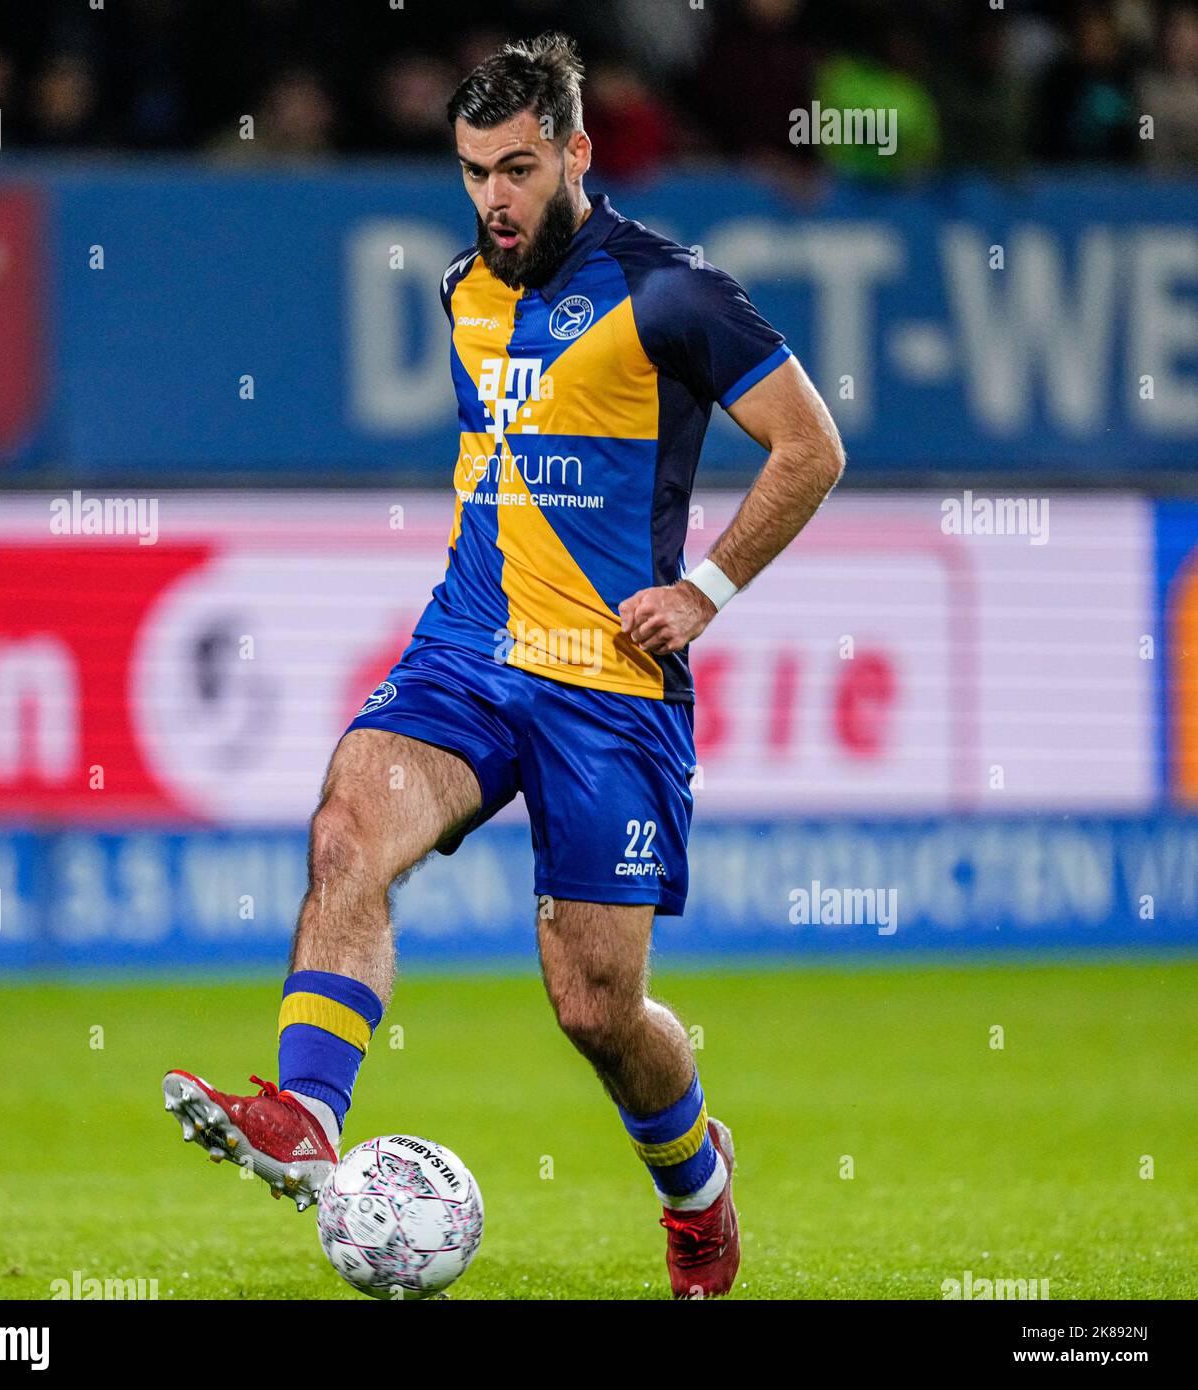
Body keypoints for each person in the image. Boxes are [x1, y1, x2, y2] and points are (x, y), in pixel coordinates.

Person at [162, 31, 844, 1299]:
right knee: (348, 820)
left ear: (578, 152)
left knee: (594, 1006)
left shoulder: (674, 292)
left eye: (519, 169)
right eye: (475, 170)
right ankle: (308, 1114)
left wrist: (702, 589)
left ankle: (695, 1186)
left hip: (607, 682)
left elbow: (809, 448)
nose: (494, 199)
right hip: (470, 650)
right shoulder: (462, 289)